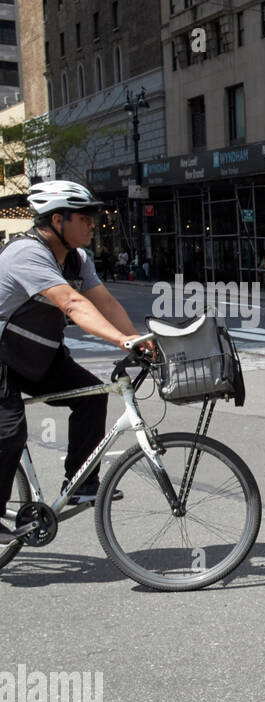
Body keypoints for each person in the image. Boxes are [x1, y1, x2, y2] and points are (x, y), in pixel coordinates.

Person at [0, 181, 154, 545]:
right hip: (2, 356)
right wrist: (120, 340)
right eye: (85, 218)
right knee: (9, 432)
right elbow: (72, 304)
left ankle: (82, 485)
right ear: (58, 219)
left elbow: (104, 303)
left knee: (91, 395)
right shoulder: (26, 254)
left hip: (38, 355)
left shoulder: (76, 259)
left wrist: (135, 342)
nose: (93, 224)